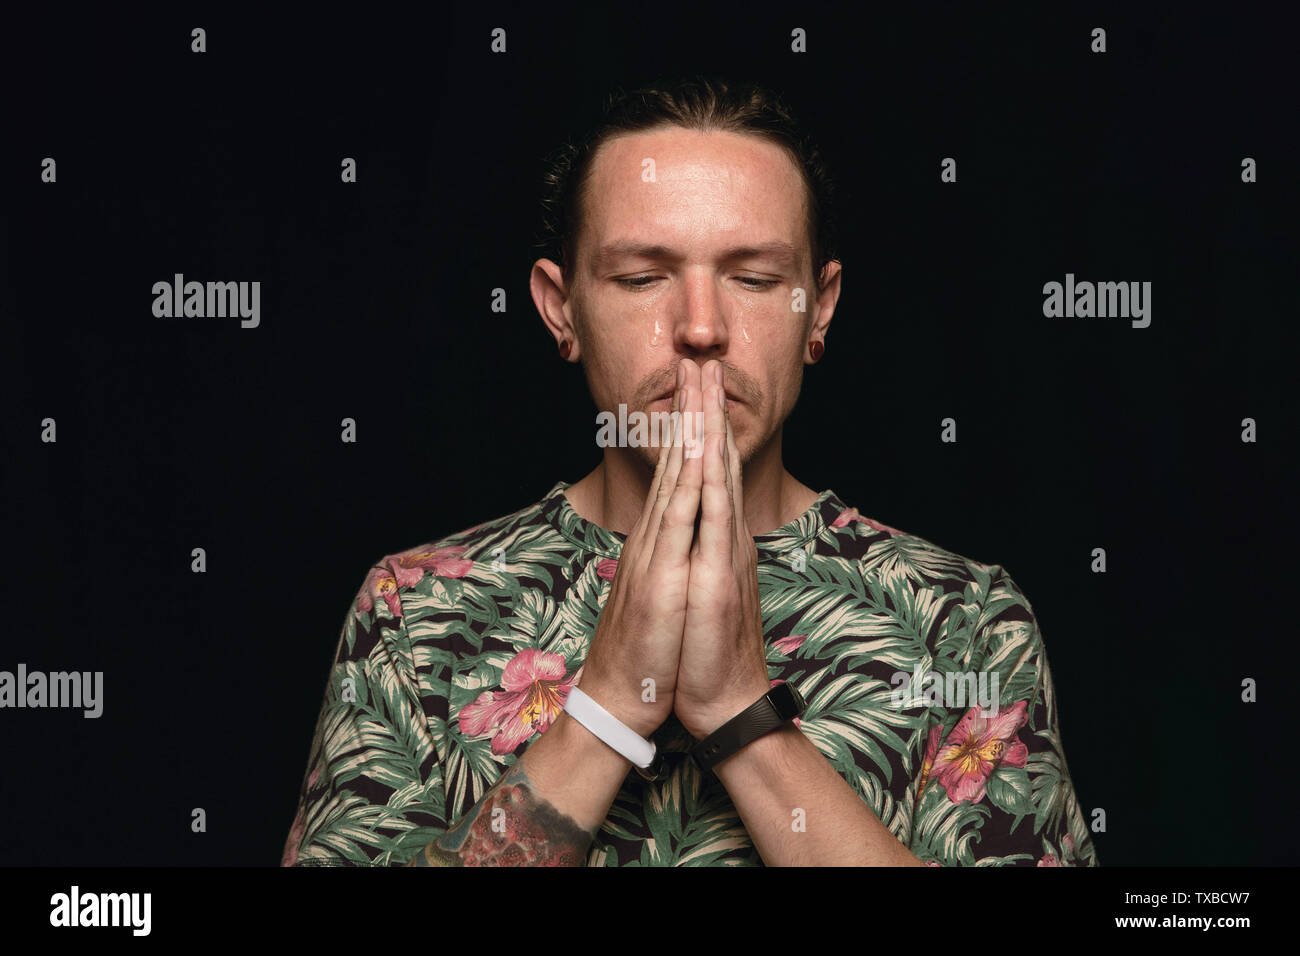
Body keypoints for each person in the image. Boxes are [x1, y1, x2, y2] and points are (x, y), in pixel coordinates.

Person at [281, 75, 1098, 867]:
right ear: (560, 310)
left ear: (820, 309)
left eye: (754, 278)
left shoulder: (963, 622)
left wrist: (741, 712)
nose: (702, 328)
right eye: (642, 278)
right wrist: (601, 711)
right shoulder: (413, 613)